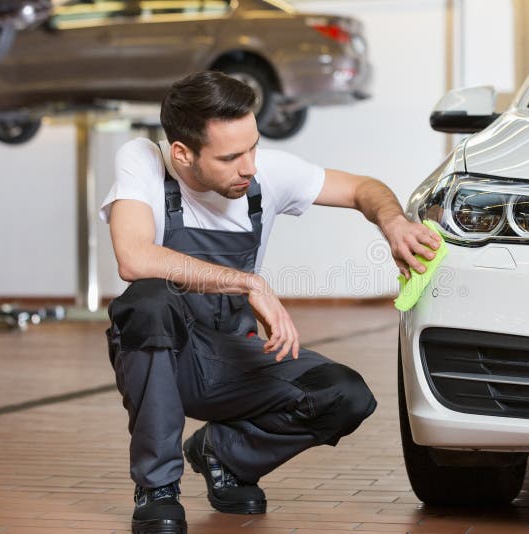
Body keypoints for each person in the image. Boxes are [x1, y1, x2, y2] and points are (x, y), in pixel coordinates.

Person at [100, 71, 442, 534]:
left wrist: (394, 222)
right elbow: (134, 257)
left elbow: (364, 188)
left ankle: (223, 454)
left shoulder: (264, 176)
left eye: (254, 147)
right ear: (182, 153)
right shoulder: (144, 161)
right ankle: (158, 488)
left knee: (345, 395)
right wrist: (249, 284)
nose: (249, 166)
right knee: (149, 300)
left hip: (229, 357)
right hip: (164, 354)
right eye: (230, 156)